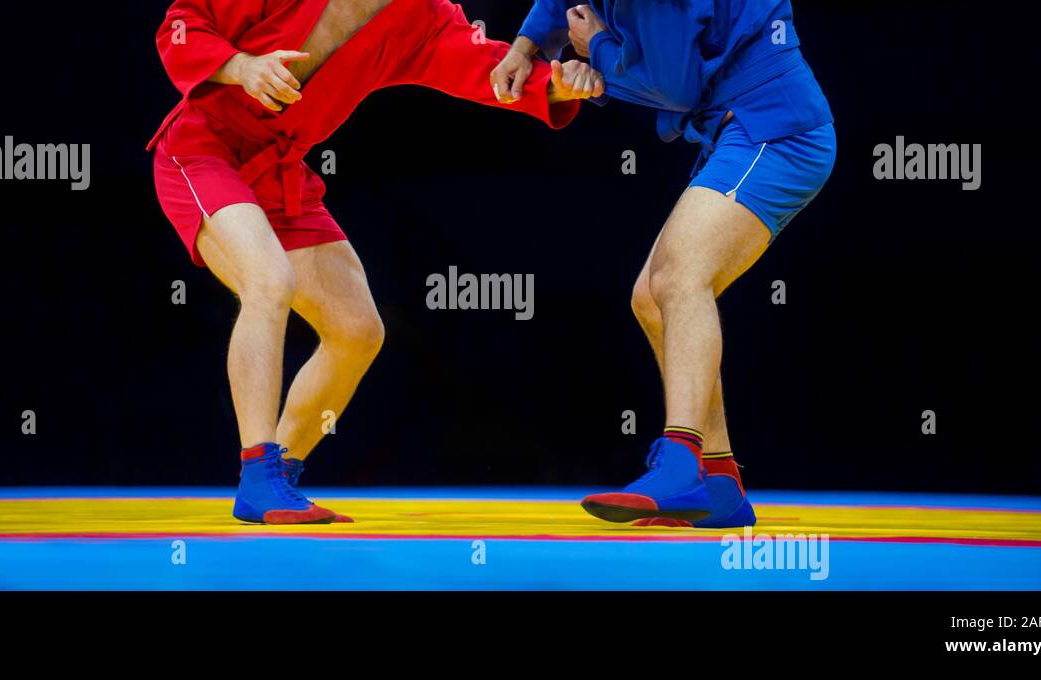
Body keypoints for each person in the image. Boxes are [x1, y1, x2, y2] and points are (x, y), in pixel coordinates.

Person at [151, 0, 604, 524]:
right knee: (268, 282)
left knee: (357, 330)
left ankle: (280, 475)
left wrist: (555, 83)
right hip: (204, 149)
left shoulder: (423, 15)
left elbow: (490, 69)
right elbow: (180, 27)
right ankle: (257, 471)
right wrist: (241, 67)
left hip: (279, 171)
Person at [491, 1, 835, 528]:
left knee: (679, 279)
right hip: (741, 129)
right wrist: (526, 45)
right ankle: (719, 483)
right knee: (650, 299)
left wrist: (600, 52)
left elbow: (676, 92)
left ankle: (680, 465)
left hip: (776, 129)